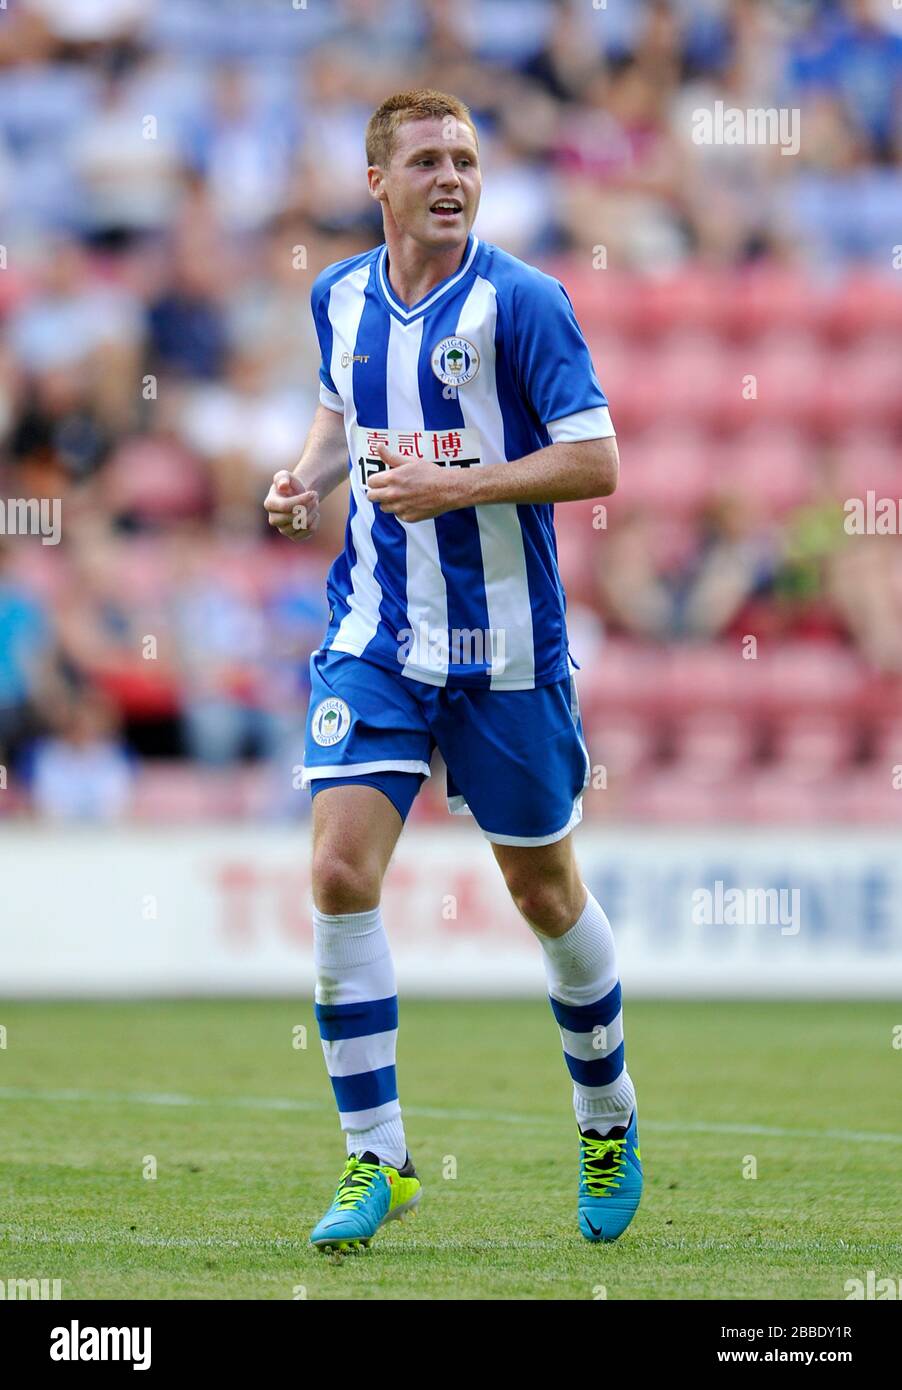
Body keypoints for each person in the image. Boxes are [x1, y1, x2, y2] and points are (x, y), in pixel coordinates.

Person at [264, 88, 641, 1253]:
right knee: (335, 870)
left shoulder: (522, 302)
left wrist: (460, 486)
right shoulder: (336, 297)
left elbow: (596, 462)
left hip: (506, 652)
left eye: (466, 160)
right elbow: (342, 423)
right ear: (375, 180)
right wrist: (304, 480)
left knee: (544, 895)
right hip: (375, 637)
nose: (451, 177)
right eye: (425, 159)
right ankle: (377, 1160)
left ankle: (605, 1115)